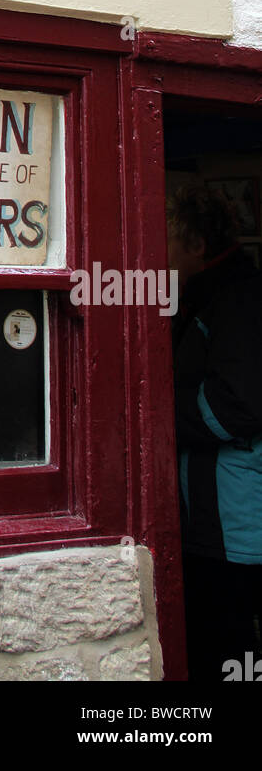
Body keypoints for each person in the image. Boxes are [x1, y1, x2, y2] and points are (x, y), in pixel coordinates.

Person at [168, 184, 262, 680]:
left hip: (235, 522)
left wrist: (157, 413)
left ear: (197, 244)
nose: (159, 254)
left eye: (168, 240)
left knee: (231, 651)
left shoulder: (237, 301)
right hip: (214, 518)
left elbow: (235, 407)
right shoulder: (206, 298)